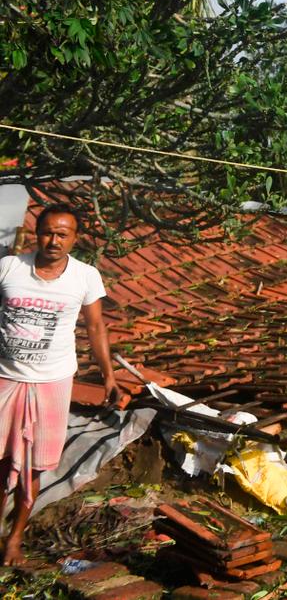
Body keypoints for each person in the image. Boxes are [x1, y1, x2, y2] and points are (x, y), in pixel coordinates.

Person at [0, 206, 123, 565]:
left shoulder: (85, 277)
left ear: (74, 238)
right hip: (5, 377)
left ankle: (15, 539)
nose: (54, 241)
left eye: (62, 234)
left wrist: (108, 376)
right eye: (48, 233)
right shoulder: (9, 268)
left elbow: (96, 327)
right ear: (35, 233)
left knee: (36, 467)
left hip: (52, 382)